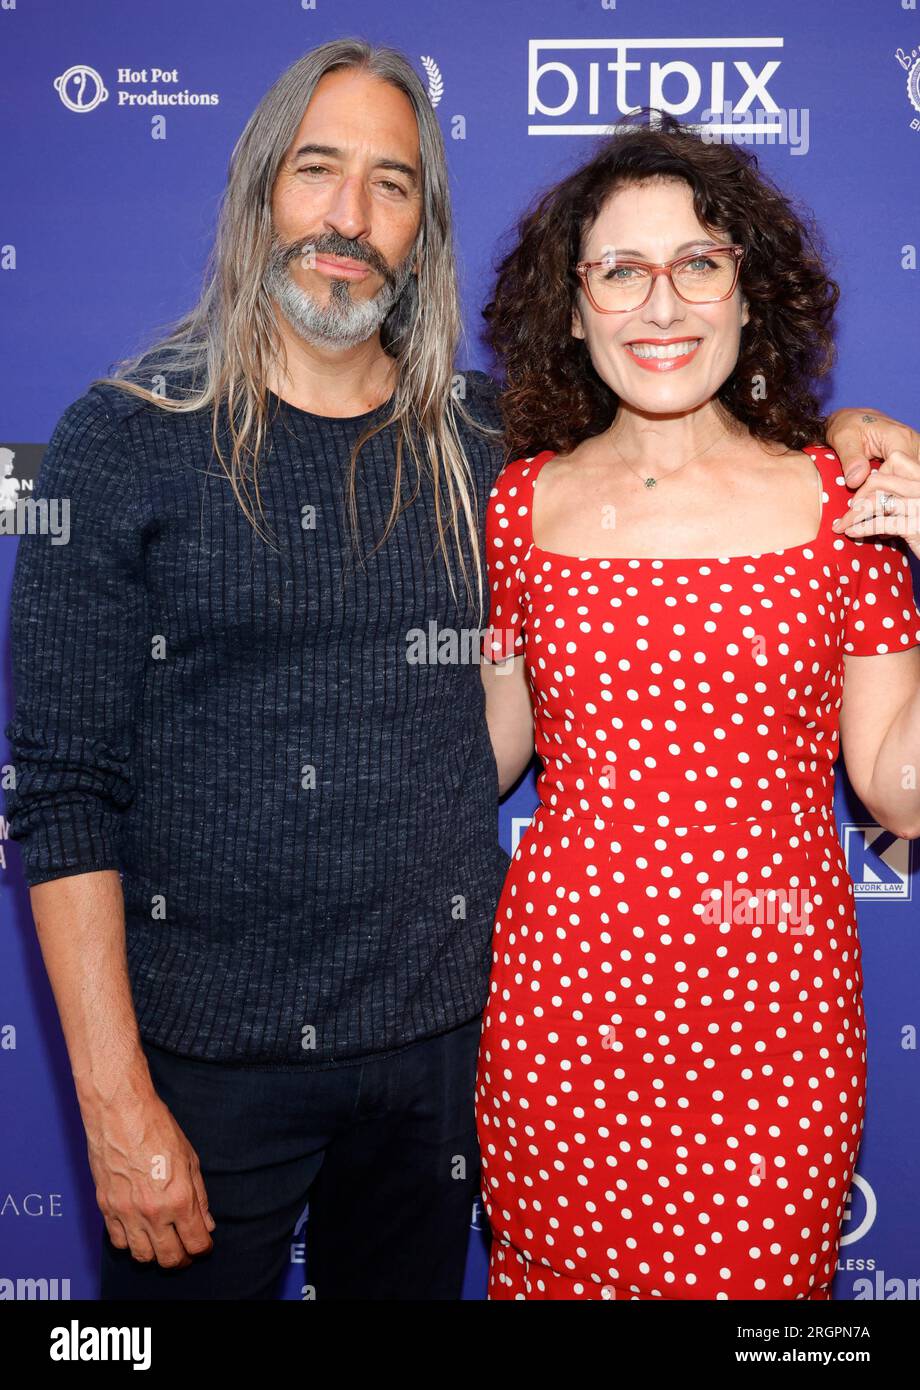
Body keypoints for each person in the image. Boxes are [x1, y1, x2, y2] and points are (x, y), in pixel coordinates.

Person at [1, 44, 914, 1301]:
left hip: (444, 1051)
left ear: (422, 226)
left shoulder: (478, 441)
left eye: (390, 184)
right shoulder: (129, 443)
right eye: (317, 170)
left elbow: (689, 444)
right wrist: (111, 1099)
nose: (347, 214)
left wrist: (846, 441)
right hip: (214, 1063)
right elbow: (60, 791)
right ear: (257, 186)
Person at [476, 111, 920, 1301]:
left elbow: (894, 783)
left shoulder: (846, 499)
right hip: (562, 1023)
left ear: (744, 291)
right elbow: (482, 755)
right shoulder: (517, 508)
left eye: (696, 265)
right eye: (619, 270)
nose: (658, 306)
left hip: (775, 1029)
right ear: (571, 309)